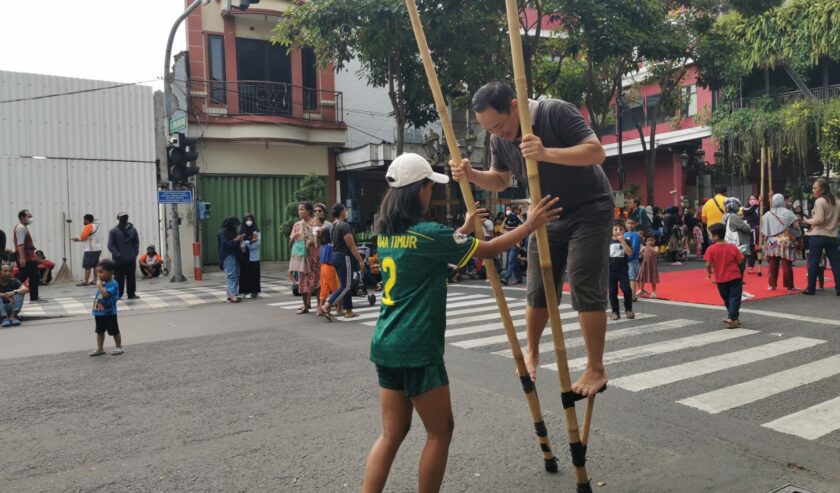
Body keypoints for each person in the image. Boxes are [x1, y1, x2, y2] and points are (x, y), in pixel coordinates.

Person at [361, 152, 560, 493]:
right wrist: (530, 224)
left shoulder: (387, 234)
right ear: (419, 190)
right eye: (429, 187)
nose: (431, 194)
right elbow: (490, 249)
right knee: (441, 432)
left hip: (386, 343)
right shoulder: (430, 234)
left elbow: (429, 254)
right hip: (417, 347)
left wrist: (464, 229)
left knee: (391, 434)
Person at [451, 81, 610, 395]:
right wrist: (471, 175)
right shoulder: (499, 139)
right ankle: (532, 352)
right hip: (545, 213)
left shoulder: (554, 111)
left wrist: (544, 152)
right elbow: (499, 180)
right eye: (489, 129)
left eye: (499, 125)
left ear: (514, 106)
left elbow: (597, 152)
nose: (497, 133)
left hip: (589, 208)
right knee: (537, 287)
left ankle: (595, 367)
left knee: (582, 283)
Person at [320, 203, 365, 321]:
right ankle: (328, 304)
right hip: (344, 257)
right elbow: (351, 245)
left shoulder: (333, 226)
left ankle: (349, 311)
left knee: (346, 284)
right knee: (347, 285)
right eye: (346, 210)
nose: (347, 212)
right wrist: (360, 260)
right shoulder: (344, 226)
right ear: (342, 212)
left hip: (335, 257)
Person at [802, 178, 840, 296]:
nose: (813, 190)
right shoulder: (837, 202)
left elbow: (819, 219)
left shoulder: (820, 201)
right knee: (836, 263)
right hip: (832, 235)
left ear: (822, 190)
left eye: (815, 188)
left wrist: (807, 221)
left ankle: (811, 288)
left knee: (813, 262)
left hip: (818, 235)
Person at [705, 223, 745, 328]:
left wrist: (709, 272)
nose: (709, 237)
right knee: (734, 297)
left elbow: (708, 264)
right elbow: (740, 260)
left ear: (716, 236)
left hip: (720, 278)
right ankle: (734, 318)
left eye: (710, 235)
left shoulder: (711, 249)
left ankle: (732, 318)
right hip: (734, 276)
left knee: (727, 298)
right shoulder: (732, 247)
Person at [761, 193, 800, 291]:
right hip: (785, 240)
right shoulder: (789, 213)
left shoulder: (766, 215)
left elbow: (763, 231)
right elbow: (795, 227)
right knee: (786, 264)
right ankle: (789, 285)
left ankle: (772, 285)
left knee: (772, 264)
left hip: (771, 241)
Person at [289, 202, 320, 314]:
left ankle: (319, 306)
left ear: (308, 211)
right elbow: (290, 242)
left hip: (314, 257)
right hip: (302, 258)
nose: (300, 212)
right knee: (303, 281)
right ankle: (306, 306)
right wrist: (294, 237)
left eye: (302, 209)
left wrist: (311, 242)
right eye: (299, 209)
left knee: (317, 281)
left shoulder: (315, 222)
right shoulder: (297, 225)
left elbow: (319, 238)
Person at [88, 259, 124, 356]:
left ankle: (118, 347)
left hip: (109, 313)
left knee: (114, 331)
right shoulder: (103, 283)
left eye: (101, 272)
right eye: (97, 272)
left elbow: (106, 295)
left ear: (111, 273)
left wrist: (100, 286)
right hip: (99, 312)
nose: (99, 275)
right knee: (99, 331)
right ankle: (100, 348)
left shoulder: (113, 283)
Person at [108, 212, 140, 299]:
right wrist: (117, 253)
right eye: (122, 217)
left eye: (126, 217)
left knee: (131, 278)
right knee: (119, 278)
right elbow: (110, 244)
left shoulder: (132, 230)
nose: (125, 218)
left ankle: (131, 294)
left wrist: (135, 251)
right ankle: (118, 294)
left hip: (130, 258)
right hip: (119, 260)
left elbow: (136, 241)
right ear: (118, 218)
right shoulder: (114, 231)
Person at [608, 222, 634, 321]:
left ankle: (628, 309)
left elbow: (630, 253)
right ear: (611, 231)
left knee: (627, 289)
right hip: (611, 270)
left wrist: (622, 241)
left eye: (620, 229)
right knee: (612, 291)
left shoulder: (627, 241)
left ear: (624, 230)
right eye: (616, 229)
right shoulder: (608, 241)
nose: (618, 231)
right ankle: (615, 311)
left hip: (623, 270)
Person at [13, 209, 41, 302]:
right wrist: (22, 258)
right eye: (29, 217)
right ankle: (33, 297)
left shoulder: (23, 227)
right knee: (32, 276)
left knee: (28, 276)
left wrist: (34, 256)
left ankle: (34, 296)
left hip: (28, 257)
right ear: (22, 217)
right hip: (26, 258)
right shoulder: (20, 228)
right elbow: (20, 244)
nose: (31, 218)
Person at [218, 217, 245, 303]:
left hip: (236, 255)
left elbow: (235, 242)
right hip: (228, 256)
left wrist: (240, 241)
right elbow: (224, 245)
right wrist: (236, 239)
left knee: (237, 275)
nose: (235, 226)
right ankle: (232, 295)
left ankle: (232, 294)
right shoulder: (223, 233)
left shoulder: (234, 232)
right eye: (234, 225)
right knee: (232, 275)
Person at [71, 213, 102, 286]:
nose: (83, 221)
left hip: (90, 249)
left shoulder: (88, 226)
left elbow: (83, 237)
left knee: (87, 265)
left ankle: (85, 281)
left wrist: (79, 239)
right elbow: (91, 237)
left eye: (84, 220)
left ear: (87, 220)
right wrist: (79, 240)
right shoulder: (96, 226)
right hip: (97, 248)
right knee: (95, 265)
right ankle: (95, 280)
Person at [722, 198, 752, 273]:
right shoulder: (733, 217)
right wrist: (747, 225)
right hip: (739, 246)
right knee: (740, 267)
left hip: (730, 244)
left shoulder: (725, 216)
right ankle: (738, 282)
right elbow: (747, 228)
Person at [238, 213, 262, 299]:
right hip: (244, 255)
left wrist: (247, 243)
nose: (249, 221)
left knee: (254, 274)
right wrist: (250, 242)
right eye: (247, 219)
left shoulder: (256, 231)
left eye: (250, 219)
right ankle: (245, 291)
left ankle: (254, 291)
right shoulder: (241, 231)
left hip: (253, 256)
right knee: (245, 274)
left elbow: (257, 244)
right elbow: (240, 243)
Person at [0, 263, 28, 327]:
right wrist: (3, 295)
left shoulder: (14, 281)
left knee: (19, 293)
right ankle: (4, 318)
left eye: (10, 271)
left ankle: (13, 317)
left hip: (10, 307)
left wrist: (13, 292)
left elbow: (25, 289)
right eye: (5, 271)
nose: (8, 273)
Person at [624, 217, 642, 299]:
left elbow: (634, 248)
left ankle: (632, 296)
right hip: (626, 259)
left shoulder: (635, 235)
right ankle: (630, 295)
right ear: (625, 224)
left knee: (632, 278)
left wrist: (629, 258)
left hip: (632, 259)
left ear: (635, 225)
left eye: (632, 223)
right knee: (628, 277)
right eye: (628, 223)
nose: (630, 225)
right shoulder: (625, 234)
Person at [742, 195, 761, 273]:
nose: (752, 200)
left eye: (754, 199)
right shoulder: (745, 208)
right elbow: (749, 210)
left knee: (754, 249)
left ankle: (751, 265)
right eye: (751, 199)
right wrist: (757, 203)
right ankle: (748, 266)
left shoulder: (760, 208)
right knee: (750, 247)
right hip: (750, 230)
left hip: (759, 230)